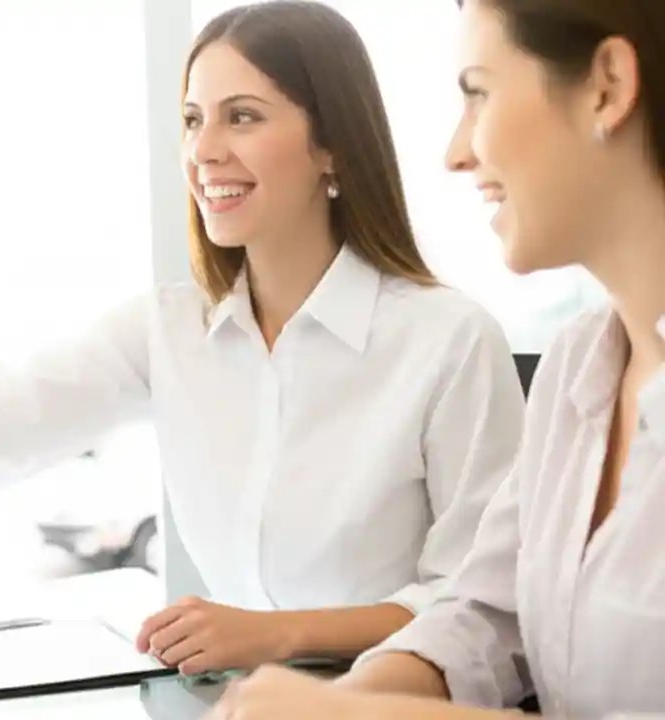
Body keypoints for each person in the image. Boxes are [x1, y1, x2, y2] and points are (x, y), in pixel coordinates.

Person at [0, 0, 524, 675]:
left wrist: (274, 634)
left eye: (242, 117)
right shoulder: (167, 330)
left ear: (333, 145)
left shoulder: (448, 342)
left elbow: (482, 610)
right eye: (192, 119)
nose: (204, 151)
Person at [206, 0, 665, 718]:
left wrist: (357, 715)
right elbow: (488, 616)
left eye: (478, 93)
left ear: (606, 86)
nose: (456, 151)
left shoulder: (448, 335)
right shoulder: (578, 365)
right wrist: (345, 700)